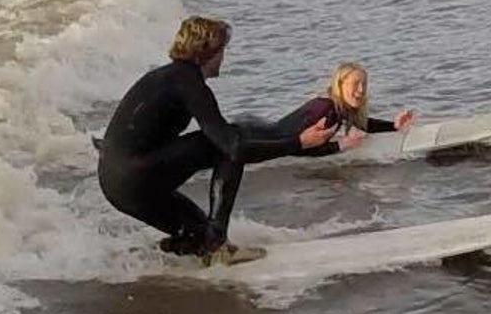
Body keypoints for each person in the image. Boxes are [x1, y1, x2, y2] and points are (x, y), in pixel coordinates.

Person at [97, 16, 335, 265]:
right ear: (206, 53)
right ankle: (218, 245)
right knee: (229, 142)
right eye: (222, 50)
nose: (223, 57)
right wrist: (299, 143)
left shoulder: (162, 77)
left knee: (199, 235)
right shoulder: (189, 84)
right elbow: (234, 147)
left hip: (115, 185)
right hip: (136, 177)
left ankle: (153, 262)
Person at [263, 62, 416, 156]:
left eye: (364, 84)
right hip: (261, 142)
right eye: (355, 84)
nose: (361, 90)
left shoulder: (335, 108)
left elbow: (363, 124)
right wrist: (341, 145)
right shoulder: (328, 109)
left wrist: (394, 126)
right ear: (340, 85)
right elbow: (299, 149)